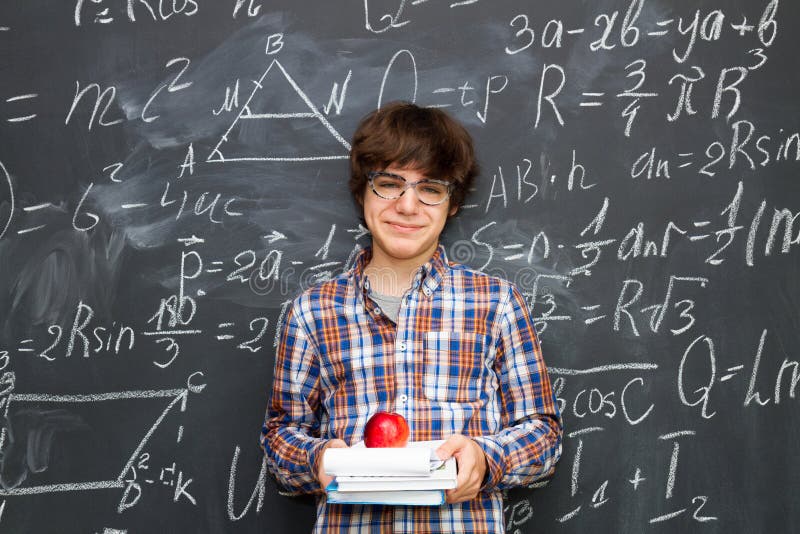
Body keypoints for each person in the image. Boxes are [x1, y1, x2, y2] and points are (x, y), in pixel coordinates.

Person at [261, 101, 562, 533]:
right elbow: (281, 435)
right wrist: (316, 459)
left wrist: (486, 459)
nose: (407, 206)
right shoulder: (312, 312)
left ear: (452, 203)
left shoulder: (497, 304)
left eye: (431, 188)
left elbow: (543, 434)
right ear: (362, 191)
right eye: (389, 184)